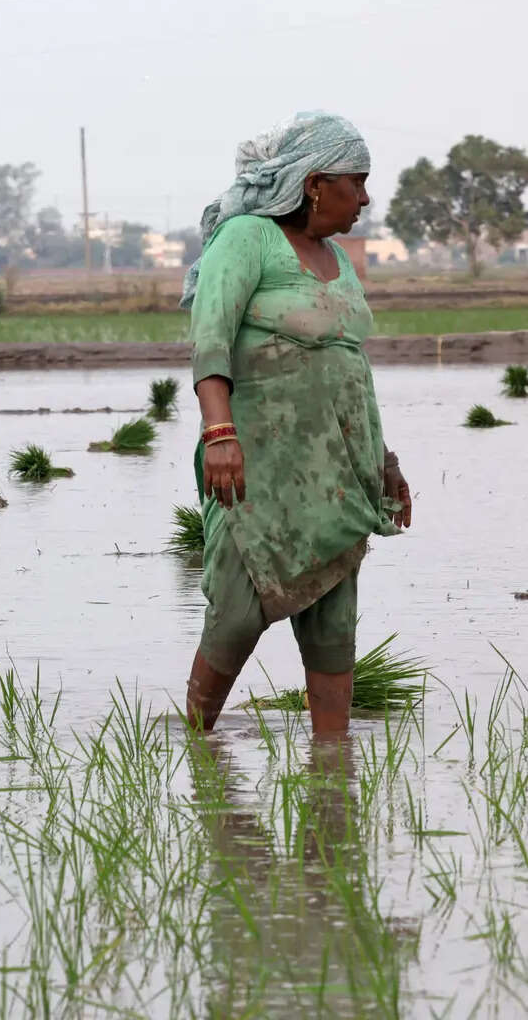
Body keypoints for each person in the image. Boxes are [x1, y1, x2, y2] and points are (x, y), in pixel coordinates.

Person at [181, 112, 414, 736]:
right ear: (315, 183)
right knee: (235, 613)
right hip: (255, 461)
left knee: (335, 621)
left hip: (339, 470)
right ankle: (197, 744)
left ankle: (332, 767)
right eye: (356, 182)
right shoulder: (246, 239)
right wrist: (219, 434)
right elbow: (210, 344)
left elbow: (349, 367)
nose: (365, 197)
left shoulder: (337, 256)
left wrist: (385, 463)